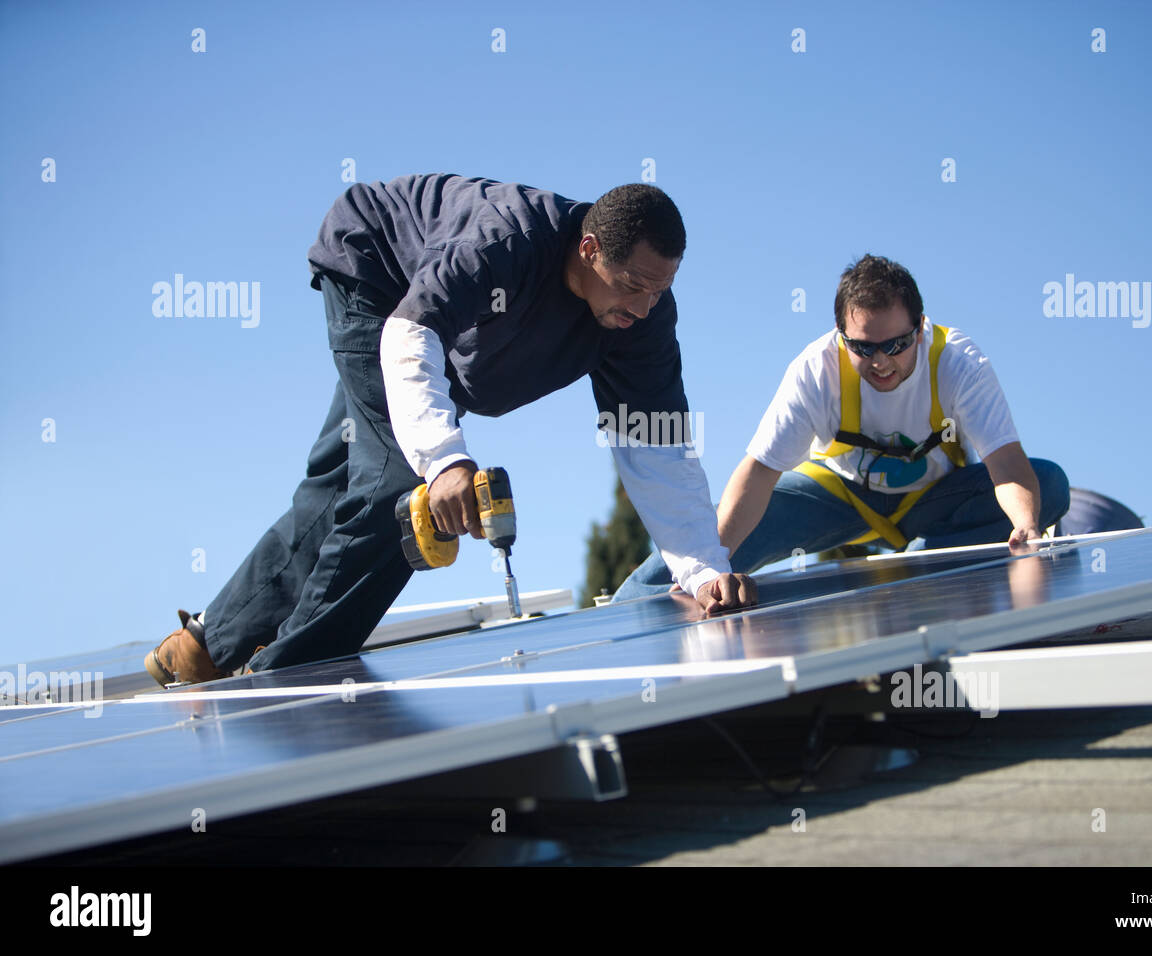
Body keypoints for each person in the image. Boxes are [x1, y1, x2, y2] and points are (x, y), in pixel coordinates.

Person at [145, 174, 756, 686]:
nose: (645, 308)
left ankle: (204, 645)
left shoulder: (641, 317)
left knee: (346, 481)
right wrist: (442, 460)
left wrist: (702, 568)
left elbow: (656, 442)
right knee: (397, 488)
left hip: (446, 347)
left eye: (660, 290)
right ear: (590, 248)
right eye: (632, 286)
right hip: (378, 279)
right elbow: (412, 332)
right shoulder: (507, 241)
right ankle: (283, 685)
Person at [614, 253, 1069, 600]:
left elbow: (1007, 464)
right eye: (864, 348)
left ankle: (919, 570)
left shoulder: (960, 363)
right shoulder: (815, 370)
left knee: (1047, 483)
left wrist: (1026, 526)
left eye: (897, 344)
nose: (882, 362)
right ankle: (627, 608)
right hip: (839, 495)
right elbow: (757, 476)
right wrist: (707, 570)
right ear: (839, 334)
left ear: (921, 326)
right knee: (704, 540)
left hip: (933, 500)